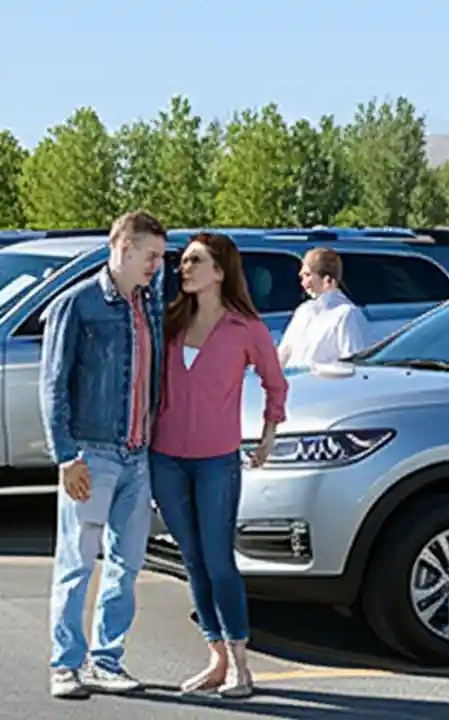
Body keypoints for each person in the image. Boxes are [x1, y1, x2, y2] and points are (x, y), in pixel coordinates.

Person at [149, 233, 287, 698]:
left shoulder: (245, 328)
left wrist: (267, 438)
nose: (183, 268)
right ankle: (216, 658)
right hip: (165, 459)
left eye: (195, 261)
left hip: (216, 462)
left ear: (220, 271)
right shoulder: (169, 321)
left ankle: (241, 667)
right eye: (183, 261)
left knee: (218, 560)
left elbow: (276, 384)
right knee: (191, 560)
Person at [39, 210, 167, 700]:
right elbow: (54, 384)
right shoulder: (79, 304)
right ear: (124, 248)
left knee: (126, 563)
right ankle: (65, 665)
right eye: (152, 255)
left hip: (138, 454)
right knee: (76, 561)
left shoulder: (148, 304)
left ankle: (106, 660)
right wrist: (65, 455)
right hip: (92, 452)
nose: (158, 265)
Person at [278, 247, 369, 367]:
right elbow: (282, 356)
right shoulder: (304, 311)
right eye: (302, 277)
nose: (303, 283)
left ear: (328, 280)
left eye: (307, 275)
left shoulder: (346, 314)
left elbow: (354, 363)